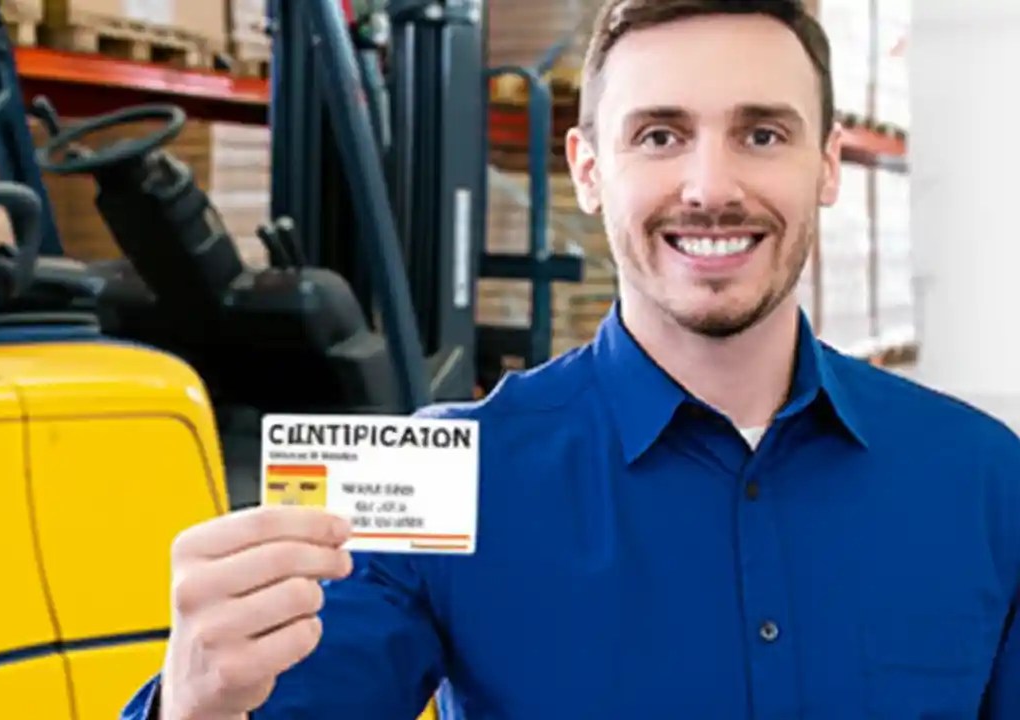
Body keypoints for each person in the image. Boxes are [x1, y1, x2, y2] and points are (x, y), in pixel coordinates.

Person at [124, 1, 1020, 717]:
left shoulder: (984, 481)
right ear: (588, 170)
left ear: (827, 165)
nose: (710, 187)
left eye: (763, 134)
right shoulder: (448, 481)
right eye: (660, 136)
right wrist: (195, 706)